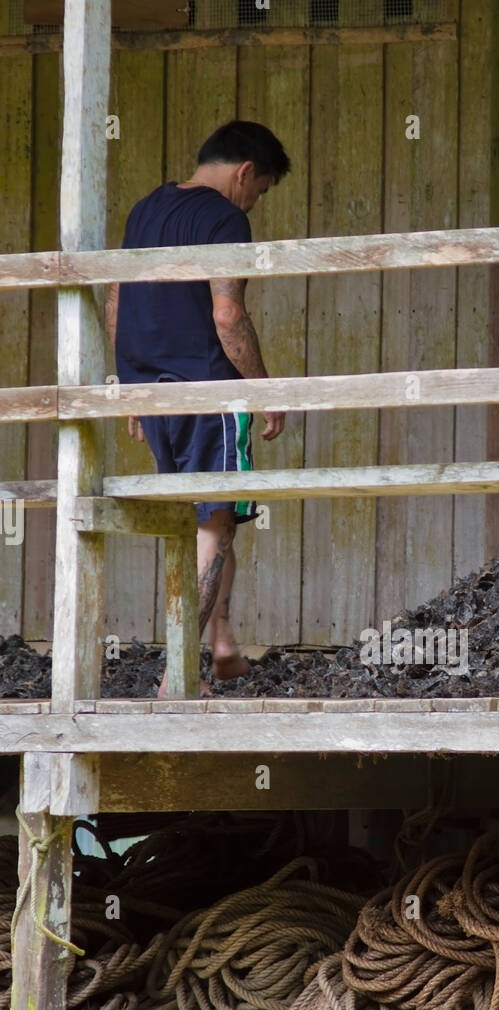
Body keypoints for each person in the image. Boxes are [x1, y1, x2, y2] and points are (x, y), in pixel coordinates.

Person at [105, 120, 291, 694]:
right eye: (260, 191)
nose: (253, 202)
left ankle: (223, 646)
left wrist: (130, 387)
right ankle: (178, 675)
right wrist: (263, 389)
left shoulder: (145, 210)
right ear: (245, 172)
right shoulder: (225, 218)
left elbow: (115, 299)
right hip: (209, 392)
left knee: (212, 516)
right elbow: (228, 315)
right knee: (214, 525)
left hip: (153, 391)